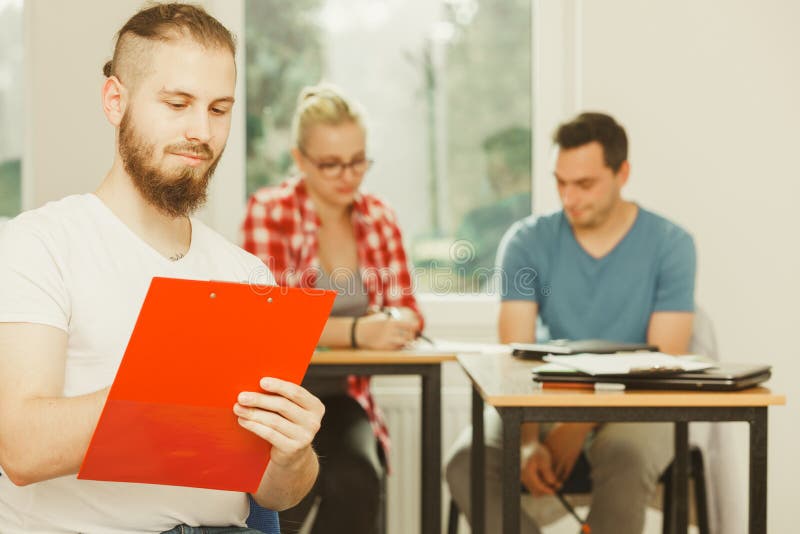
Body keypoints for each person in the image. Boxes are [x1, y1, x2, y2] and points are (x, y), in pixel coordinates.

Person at [0, 4, 322, 533]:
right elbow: (21, 449)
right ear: (115, 100)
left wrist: (293, 453)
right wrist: (165, 388)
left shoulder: (246, 275)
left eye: (220, 110)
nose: (202, 131)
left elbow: (275, 494)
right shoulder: (42, 244)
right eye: (178, 103)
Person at [445, 112, 696, 534]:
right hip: (541, 397)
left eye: (584, 184)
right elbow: (513, 360)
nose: (569, 197)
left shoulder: (671, 245)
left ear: (622, 174)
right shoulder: (526, 242)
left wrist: (578, 422)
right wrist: (527, 443)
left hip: (637, 406)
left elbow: (662, 364)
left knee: (626, 455)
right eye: (560, 182)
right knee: (466, 462)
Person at [241, 83, 423, 534]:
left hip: (343, 398)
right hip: (278, 397)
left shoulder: (379, 217)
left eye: (358, 161)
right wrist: (361, 333)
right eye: (331, 164)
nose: (348, 175)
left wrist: (397, 321)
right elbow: (270, 317)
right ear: (300, 159)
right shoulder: (269, 212)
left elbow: (409, 310)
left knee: (359, 481)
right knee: (277, 500)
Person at [454, 126, 532, 287]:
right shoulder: (551, 219)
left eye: (490, 169)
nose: (487, 178)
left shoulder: (477, 223)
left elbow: (463, 284)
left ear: (504, 173)